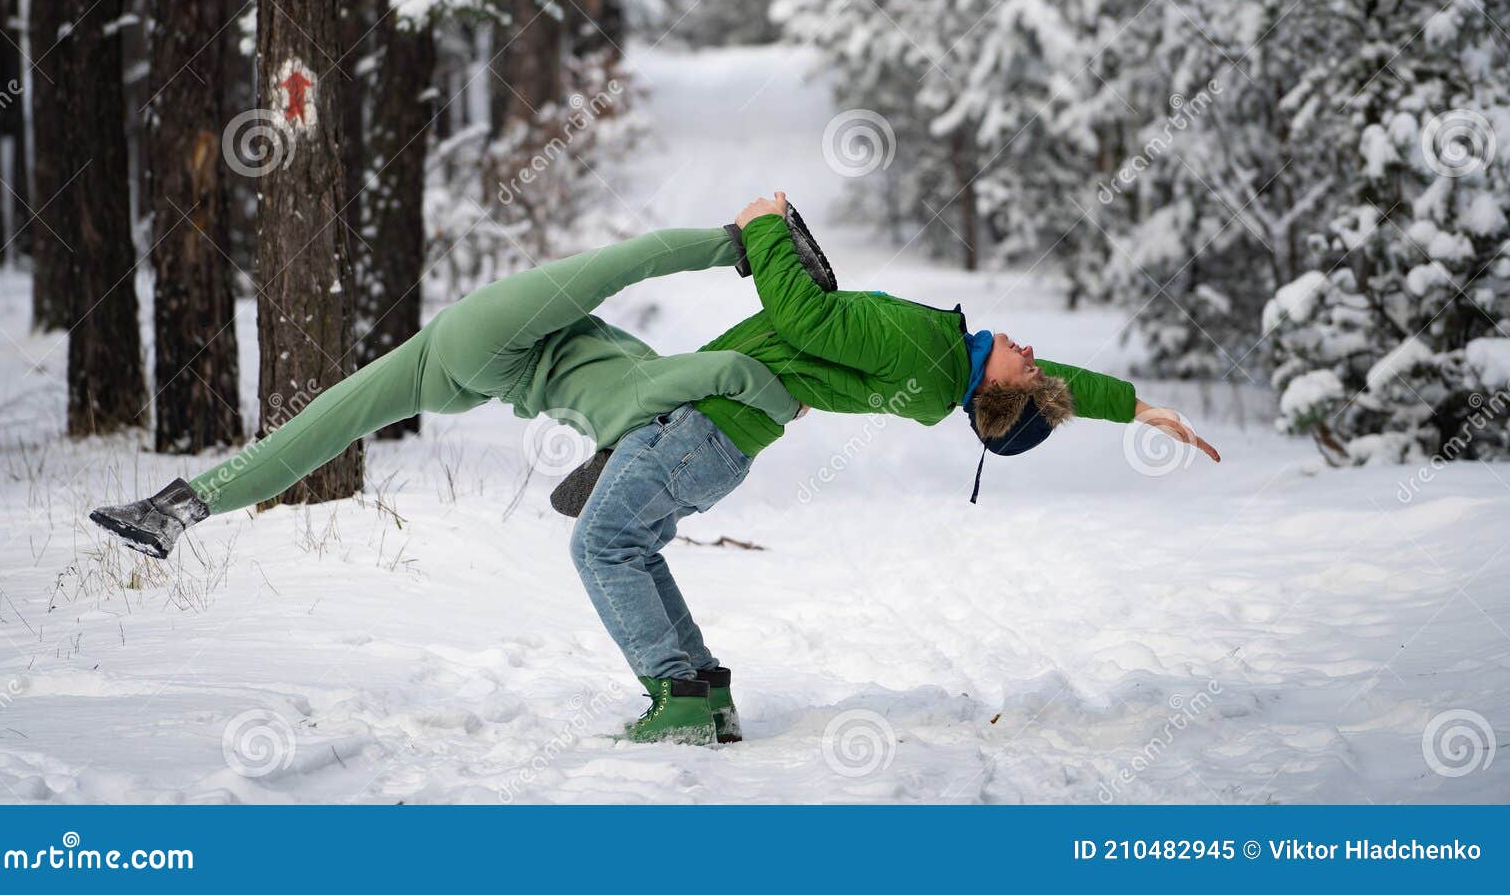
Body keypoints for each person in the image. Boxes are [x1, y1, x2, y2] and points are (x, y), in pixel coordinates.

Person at [92, 195, 1217, 747]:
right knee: (616, 438)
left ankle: (681, 687)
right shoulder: (943, 380)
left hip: (671, 404)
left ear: (997, 392)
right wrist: (1136, 401)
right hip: (672, 402)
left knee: (601, 537)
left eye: (1029, 367)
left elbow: (666, 273)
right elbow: (1033, 384)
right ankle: (689, 672)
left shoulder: (934, 349)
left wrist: (748, 234)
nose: (1028, 345)